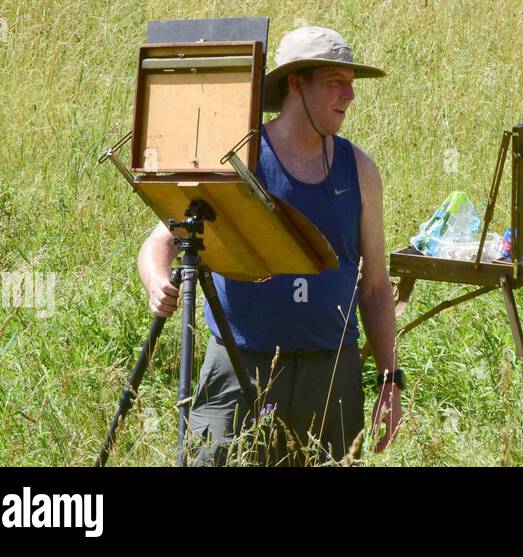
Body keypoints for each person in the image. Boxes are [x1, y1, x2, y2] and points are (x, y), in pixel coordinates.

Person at [137, 26, 403, 465]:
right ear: (296, 82)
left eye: (351, 84)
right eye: (336, 83)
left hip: (331, 374)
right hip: (240, 368)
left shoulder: (360, 170)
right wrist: (156, 283)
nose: (350, 96)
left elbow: (375, 285)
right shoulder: (237, 158)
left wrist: (390, 381)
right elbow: (160, 241)